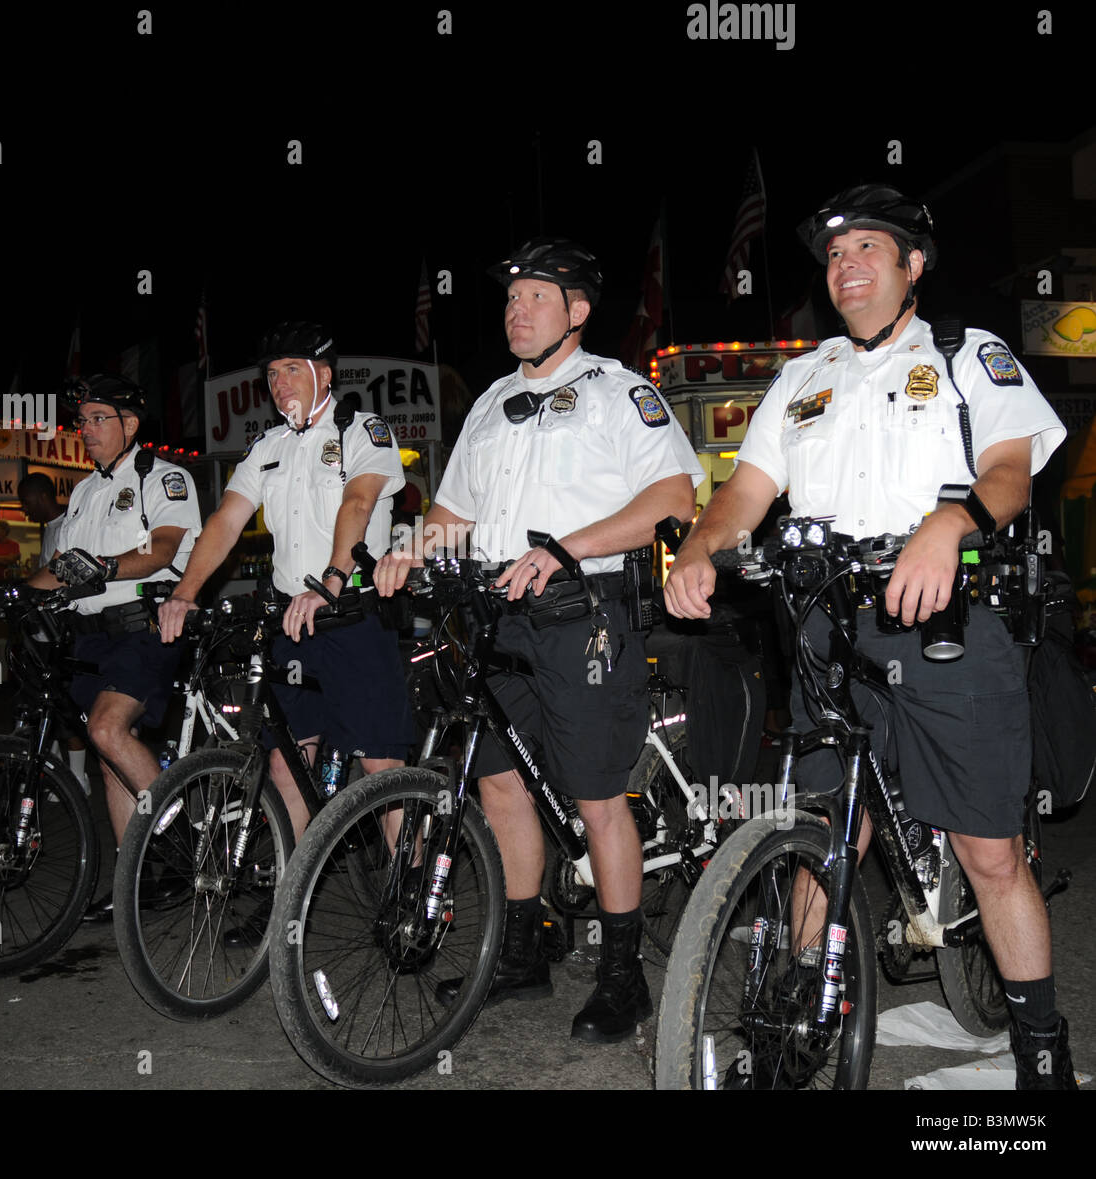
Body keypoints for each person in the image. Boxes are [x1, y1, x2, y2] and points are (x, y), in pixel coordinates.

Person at [663, 184, 1076, 1090]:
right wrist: (699, 546)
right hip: (823, 630)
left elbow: (1011, 468)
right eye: (835, 254)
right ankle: (799, 1010)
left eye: (868, 251)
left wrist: (952, 519)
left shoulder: (968, 355)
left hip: (945, 625)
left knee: (987, 849)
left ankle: (1042, 1048)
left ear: (912, 265)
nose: (845, 267)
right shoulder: (805, 376)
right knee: (822, 828)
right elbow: (745, 491)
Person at [375, 239, 702, 1043]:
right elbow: (452, 514)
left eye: (536, 296)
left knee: (596, 799)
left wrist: (567, 546)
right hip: (494, 615)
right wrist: (407, 549)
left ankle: (623, 977)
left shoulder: (620, 393)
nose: (517, 309)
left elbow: (672, 495)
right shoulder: (488, 402)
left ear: (578, 312)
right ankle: (523, 952)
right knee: (499, 785)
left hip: (581, 612)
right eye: (511, 298)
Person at [158, 322, 415, 843]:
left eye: (292, 370)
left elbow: (358, 503)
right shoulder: (267, 446)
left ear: (323, 374)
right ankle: (286, 901)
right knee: (285, 765)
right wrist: (184, 593)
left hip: (352, 616)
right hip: (291, 623)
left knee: (380, 768)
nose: (280, 383)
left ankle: (409, 899)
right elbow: (226, 522)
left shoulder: (361, 431)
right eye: (273, 374)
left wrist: (330, 580)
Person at [26, 374, 202, 919]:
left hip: (144, 626)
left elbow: (164, 548)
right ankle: (135, 879)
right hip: (90, 636)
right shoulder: (83, 491)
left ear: (130, 424)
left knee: (106, 728)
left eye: (98, 418)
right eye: (81, 421)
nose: (86, 430)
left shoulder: (163, 477)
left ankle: (187, 846)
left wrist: (104, 568)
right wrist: (13, 594)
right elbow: (63, 569)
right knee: (108, 759)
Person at [19, 471, 87, 792]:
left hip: (62, 632)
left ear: (42, 497)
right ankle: (54, 775)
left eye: (26, 502)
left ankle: (77, 779)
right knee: (45, 707)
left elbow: (63, 580)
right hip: (45, 632)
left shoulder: (68, 527)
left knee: (65, 707)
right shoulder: (49, 530)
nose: (24, 510)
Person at [18, 472, 67, 568]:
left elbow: (54, 575)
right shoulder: (50, 527)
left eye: (27, 502)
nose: (24, 508)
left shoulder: (65, 529)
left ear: (44, 498)